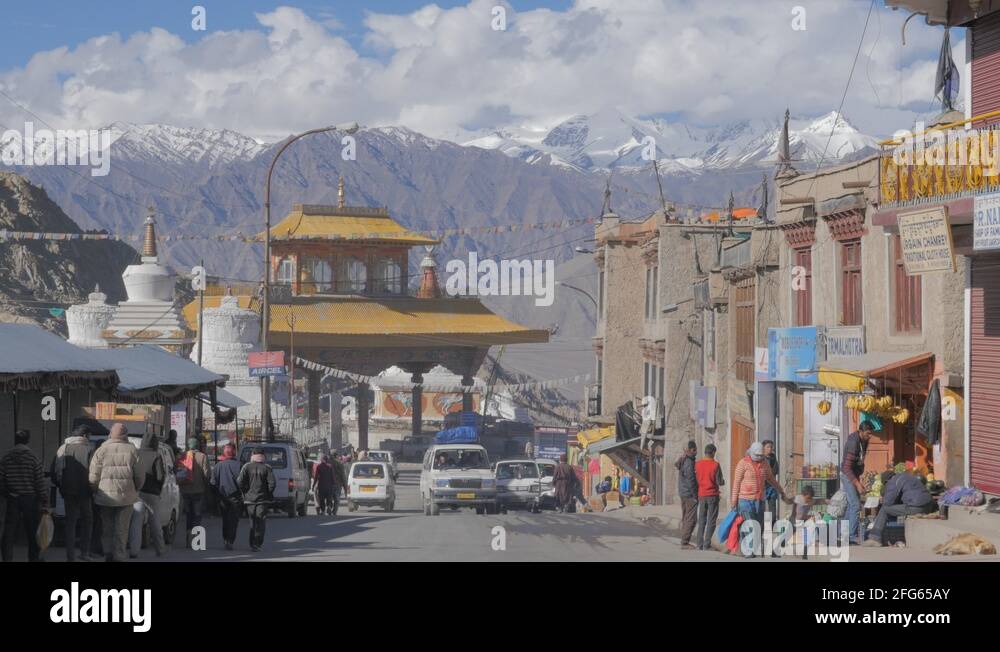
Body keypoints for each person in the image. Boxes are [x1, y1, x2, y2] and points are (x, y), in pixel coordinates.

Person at [89, 423, 143, 562]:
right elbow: (139, 476)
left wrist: (95, 490)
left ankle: (108, 552)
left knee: (107, 526)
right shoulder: (133, 450)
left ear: (110, 434)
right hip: (126, 497)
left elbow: (94, 476)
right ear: (125, 434)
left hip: (105, 496)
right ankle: (119, 555)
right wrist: (135, 488)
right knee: (122, 528)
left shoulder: (101, 450)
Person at [731, 441, 789, 558]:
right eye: (756, 455)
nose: (759, 458)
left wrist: (781, 491)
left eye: (761, 456)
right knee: (750, 524)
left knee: (758, 526)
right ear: (751, 453)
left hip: (759, 501)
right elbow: (736, 483)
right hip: (745, 500)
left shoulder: (765, 464)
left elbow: (771, 479)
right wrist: (734, 501)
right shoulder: (742, 464)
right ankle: (748, 550)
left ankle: (751, 548)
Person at [0, 429, 48, 562]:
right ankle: (33, 559)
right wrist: (44, 499)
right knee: (32, 531)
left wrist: (7, 493)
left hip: (13, 498)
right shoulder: (32, 457)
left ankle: (7, 559)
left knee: (9, 532)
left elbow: (1, 479)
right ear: (27, 440)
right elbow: (39, 481)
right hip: (30, 499)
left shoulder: (6, 457)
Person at [52, 425, 96, 562]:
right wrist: (93, 489)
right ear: (84, 436)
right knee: (87, 520)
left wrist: (62, 487)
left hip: (68, 491)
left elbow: (55, 470)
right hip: (85, 492)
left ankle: (70, 556)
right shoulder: (89, 449)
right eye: (89, 435)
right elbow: (94, 473)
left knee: (70, 522)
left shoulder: (63, 448)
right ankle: (84, 552)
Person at [863, 471, 936, 547]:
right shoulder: (908, 476)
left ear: (887, 481)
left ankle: (874, 539)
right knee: (893, 509)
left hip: (916, 507)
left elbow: (888, 503)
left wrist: (883, 499)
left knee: (884, 509)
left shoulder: (893, 481)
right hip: (929, 506)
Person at [127, 431, 167, 558]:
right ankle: (160, 550)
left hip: (138, 492)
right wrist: (159, 488)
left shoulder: (136, 454)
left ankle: (134, 551)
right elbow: (160, 476)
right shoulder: (157, 456)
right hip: (153, 493)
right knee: (155, 522)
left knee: (136, 522)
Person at [840, 421, 874, 545]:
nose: (870, 436)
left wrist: (860, 476)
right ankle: (852, 536)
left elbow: (860, 459)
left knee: (851, 505)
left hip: (854, 474)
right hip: (847, 474)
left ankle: (843, 534)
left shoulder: (864, 440)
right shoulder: (853, 443)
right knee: (855, 505)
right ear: (861, 431)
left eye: (871, 434)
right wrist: (857, 484)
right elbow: (847, 468)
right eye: (868, 433)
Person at [238, 448, 276, 552]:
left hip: (249, 500)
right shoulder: (267, 468)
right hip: (263, 501)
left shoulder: (246, 467)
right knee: (260, 522)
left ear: (252, 455)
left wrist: (245, 493)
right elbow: (272, 484)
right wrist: (268, 494)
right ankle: (257, 543)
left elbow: (239, 482)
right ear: (263, 455)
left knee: (252, 522)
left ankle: (252, 543)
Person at [178, 437, 210, 545]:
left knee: (188, 514)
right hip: (198, 490)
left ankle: (188, 535)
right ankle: (195, 539)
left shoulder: (183, 456)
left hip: (185, 490)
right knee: (197, 514)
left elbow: (178, 472)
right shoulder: (203, 457)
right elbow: (207, 474)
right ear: (197, 445)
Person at [210, 444, 242, 550]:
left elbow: (213, 483)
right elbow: (243, 483)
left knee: (225, 519)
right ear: (234, 452)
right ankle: (230, 540)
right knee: (233, 520)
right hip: (236, 497)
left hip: (222, 497)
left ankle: (225, 539)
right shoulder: (239, 466)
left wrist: (216, 496)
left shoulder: (218, 466)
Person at [694, 443, 725, 551]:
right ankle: (706, 544)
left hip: (701, 495)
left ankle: (699, 544)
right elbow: (719, 481)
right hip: (712, 495)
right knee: (711, 520)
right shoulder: (715, 465)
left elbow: (696, 479)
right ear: (713, 453)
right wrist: (723, 482)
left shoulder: (697, 464)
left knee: (702, 519)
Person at [675, 440, 699, 549]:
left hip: (683, 492)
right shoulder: (689, 462)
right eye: (695, 450)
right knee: (691, 518)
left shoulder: (684, 459)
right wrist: (695, 495)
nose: (696, 452)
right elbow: (691, 480)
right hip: (689, 494)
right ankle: (685, 542)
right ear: (691, 450)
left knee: (686, 517)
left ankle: (684, 539)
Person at [791, 485, 815, 559]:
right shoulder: (799, 502)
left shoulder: (810, 501)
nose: (809, 500)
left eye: (810, 498)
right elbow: (799, 515)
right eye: (808, 498)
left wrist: (811, 517)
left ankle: (805, 552)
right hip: (796, 521)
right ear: (803, 496)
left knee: (809, 531)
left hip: (803, 521)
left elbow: (806, 514)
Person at [762, 440, 779, 523]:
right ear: (763, 448)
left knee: (772, 507)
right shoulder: (760, 458)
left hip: (771, 486)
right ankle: (762, 525)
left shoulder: (773, 457)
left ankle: (772, 525)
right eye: (768, 447)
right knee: (762, 508)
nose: (770, 449)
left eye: (771, 447)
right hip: (762, 486)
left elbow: (776, 470)